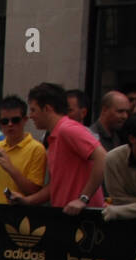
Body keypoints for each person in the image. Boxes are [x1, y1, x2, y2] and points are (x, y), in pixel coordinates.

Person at [13, 82, 105, 214]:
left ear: (47, 109)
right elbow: (56, 185)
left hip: (83, 218)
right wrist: (28, 201)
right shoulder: (55, 136)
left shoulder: (67, 129)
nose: (31, 116)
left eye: (33, 110)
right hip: (66, 215)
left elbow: (102, 157)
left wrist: (83, 199)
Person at [0, 95, 47, 203]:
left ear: (25, 120)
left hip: (18, 214)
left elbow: (34, 191)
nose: (10, 125)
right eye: (4, 121)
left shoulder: (36, 149)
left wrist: (10, 168)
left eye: (15, 120)